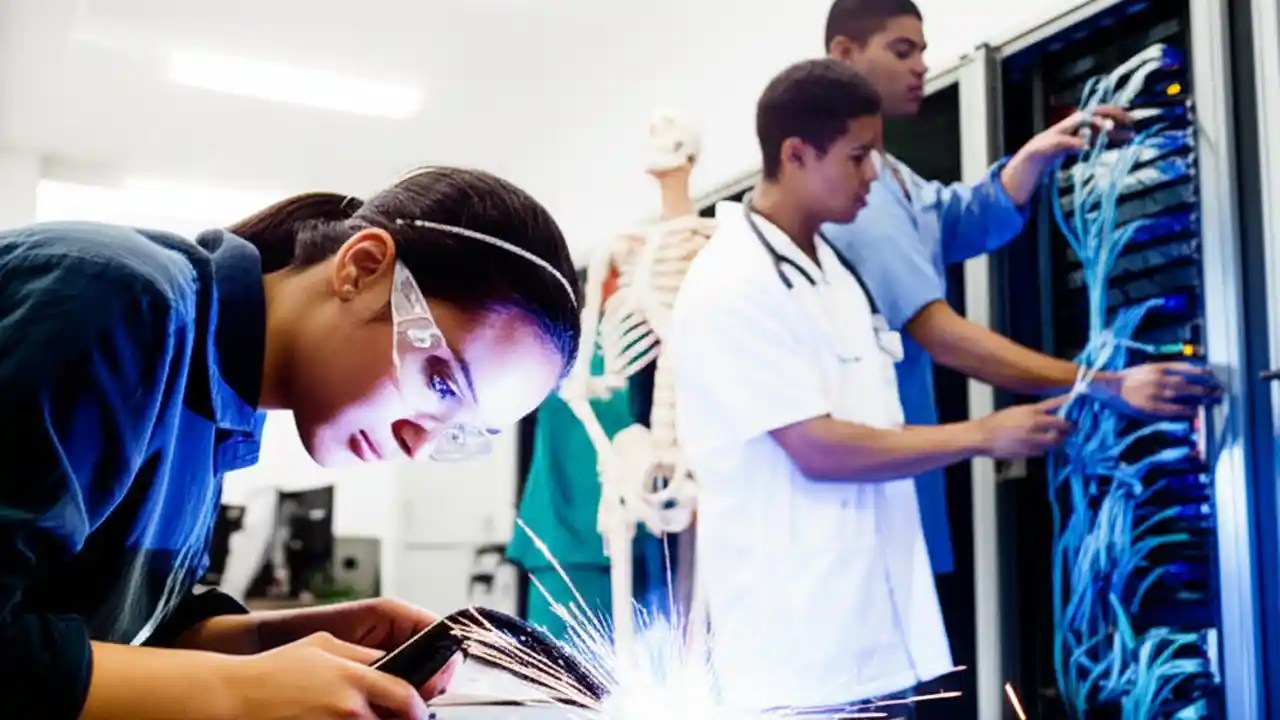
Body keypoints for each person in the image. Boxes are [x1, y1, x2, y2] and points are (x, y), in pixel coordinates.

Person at [0, 166, 581, 720]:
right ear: (362, 268)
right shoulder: (118, 302)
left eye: (458, 432)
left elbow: (114, 635)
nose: (418, 446)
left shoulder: (217, 413)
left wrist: (269, 643)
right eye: (440, 383)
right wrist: (239, 693)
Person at [670, 59, 1072, 714]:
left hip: (875, 645)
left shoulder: (834, 275)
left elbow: (875, 431)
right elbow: (817, 448)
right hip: (799, 662)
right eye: (858, 157)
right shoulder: (733, 282)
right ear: (795, 154)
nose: (873, 175)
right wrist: (981, 435)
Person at [822, 0, 1220, 575]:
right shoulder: (857, 198)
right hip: (874, 495)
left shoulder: (894, 179)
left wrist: (1037, 153)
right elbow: (943, 335)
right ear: (844, 54)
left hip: (900, 491)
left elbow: (962, 216)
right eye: (902, 51)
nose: (921, 67)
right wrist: (1103, 384)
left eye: (923, 52)